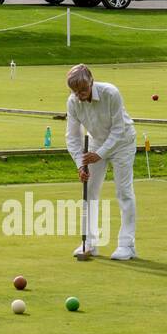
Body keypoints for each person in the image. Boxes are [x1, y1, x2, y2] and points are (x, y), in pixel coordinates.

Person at [65, 63, 138, 260]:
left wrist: (100, 154)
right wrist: (80, 164)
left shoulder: (111, 93)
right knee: (89, 190)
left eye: (83, 90)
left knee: (123, 191)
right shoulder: (72, 102)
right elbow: (73, 137)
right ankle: (89, 243)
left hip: (123, 142)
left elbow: (118, 129)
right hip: (96, 142)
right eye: (75, 92)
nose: (80, 95)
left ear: (91, 81)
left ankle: (127, 245)